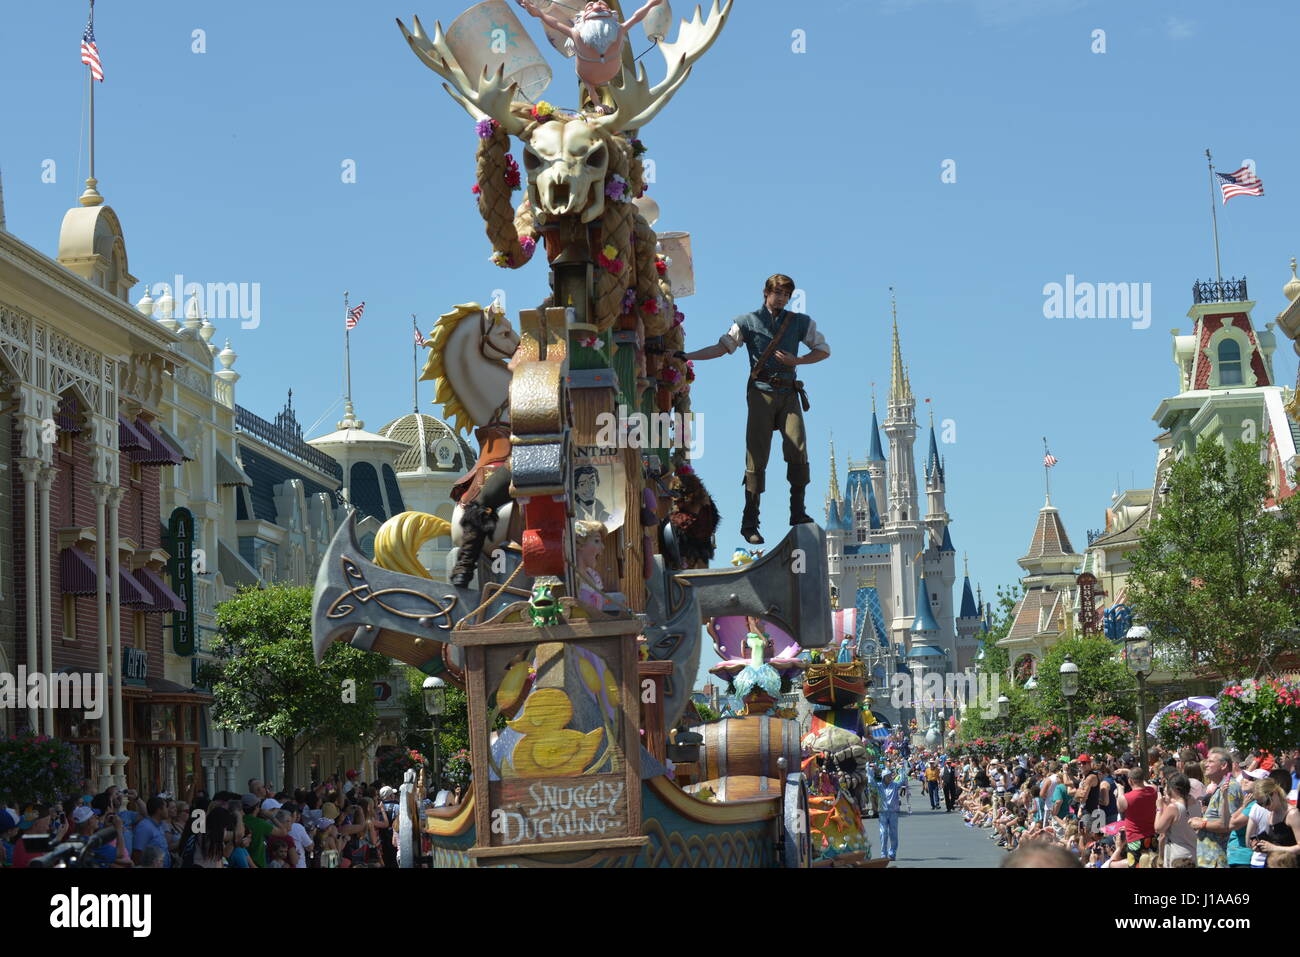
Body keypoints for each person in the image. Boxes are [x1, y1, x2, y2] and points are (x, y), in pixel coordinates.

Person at [680, 274, 830, 544]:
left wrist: (798, 360)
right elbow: (722, 347)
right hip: (761, 393)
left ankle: (798, 512)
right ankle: (750, 522)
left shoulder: (798, 322)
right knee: (756, 457)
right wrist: (688, 356)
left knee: (798, 449)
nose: (782, 298)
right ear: (766, 293)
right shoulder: (747, 322)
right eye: (778, 293)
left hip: (788, 392)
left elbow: (823, 350)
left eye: (786, 294)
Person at [1189, 746, 1243, 868]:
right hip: (1211, 858)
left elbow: (1229, 823)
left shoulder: (1229, 787)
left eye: (1211, 761)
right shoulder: (1222, 786)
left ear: (1223, 766)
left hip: (1217, 859)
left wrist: (1201, 823)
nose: (1206, 765)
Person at [1244, 777, 1300, 867]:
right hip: (1272, 863)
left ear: (1274, 793)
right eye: (1260, 804)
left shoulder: (1292, 814)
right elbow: (1276, 842)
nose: (1263, 806)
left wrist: (1274, 848)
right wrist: (1261, 846)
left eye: (1265, 802)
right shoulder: (1271, 814)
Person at [1154, 772, 1200, 868]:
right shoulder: (1196, 802)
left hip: (1177, 856)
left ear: (1174, 788)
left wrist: (1159, 808)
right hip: (1193, 852)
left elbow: (1158, 828)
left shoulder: (1174, 807)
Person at [1116, 763, 1157, 865]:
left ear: (1130, 781)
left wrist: (1120, 790)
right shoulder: (1153, 791)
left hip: (1134, 838)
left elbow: (1120, 807)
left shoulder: (1125, 798)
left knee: (1135, 865)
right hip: (1151, 836)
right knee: (1152, 864)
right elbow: (1148, 785)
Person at [132, 796, 172, 868]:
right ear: (159, 810)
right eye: (166, 807)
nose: (168, 810)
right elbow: (137, 853)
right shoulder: (145, 826)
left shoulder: (160, 825)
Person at [876, 769, 903, 861]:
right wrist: (869, 769)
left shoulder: (895, 785)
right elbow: (870, 783)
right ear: (883, 777)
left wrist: (902, 769)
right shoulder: (879, 786)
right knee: (883, 833)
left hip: (893, 813)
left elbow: (902, 780)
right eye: (888, 776)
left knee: (893, 834)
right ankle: (883, 853)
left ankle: (892, 853)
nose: (890, 777)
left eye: (890, 775)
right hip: (883, 812)